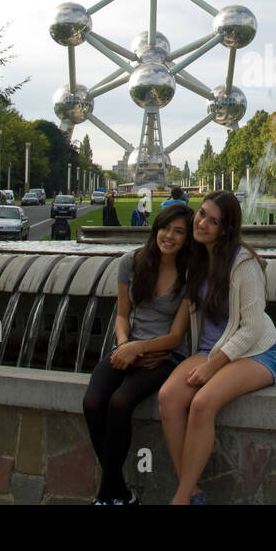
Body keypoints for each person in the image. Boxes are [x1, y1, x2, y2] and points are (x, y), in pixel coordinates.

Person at [158, 190, 276, 504]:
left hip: (253, 351)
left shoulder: (244, 263)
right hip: (211, 350)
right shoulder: (195, 260)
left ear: (225, 229)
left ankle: (181, 498)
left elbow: (251, 328)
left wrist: (213, 365)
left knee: (201, 404)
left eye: (214, 222)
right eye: (201, 215)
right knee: (169, 398)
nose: (203, 224)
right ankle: (193, 492)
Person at [83, 203, 195, 504]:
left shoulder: (189, 275)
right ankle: (118, 491)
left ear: (187, 239)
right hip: (127, 347)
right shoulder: (130, 262)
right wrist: (124, 346)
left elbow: (176, 336)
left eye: (179, 231)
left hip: (164, 356)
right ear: (155, 227)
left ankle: (107, 496)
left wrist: (140, 348)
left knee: (120, 403)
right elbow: (122, 315)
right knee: (93, 402)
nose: (169, 236)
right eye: (165, 228)